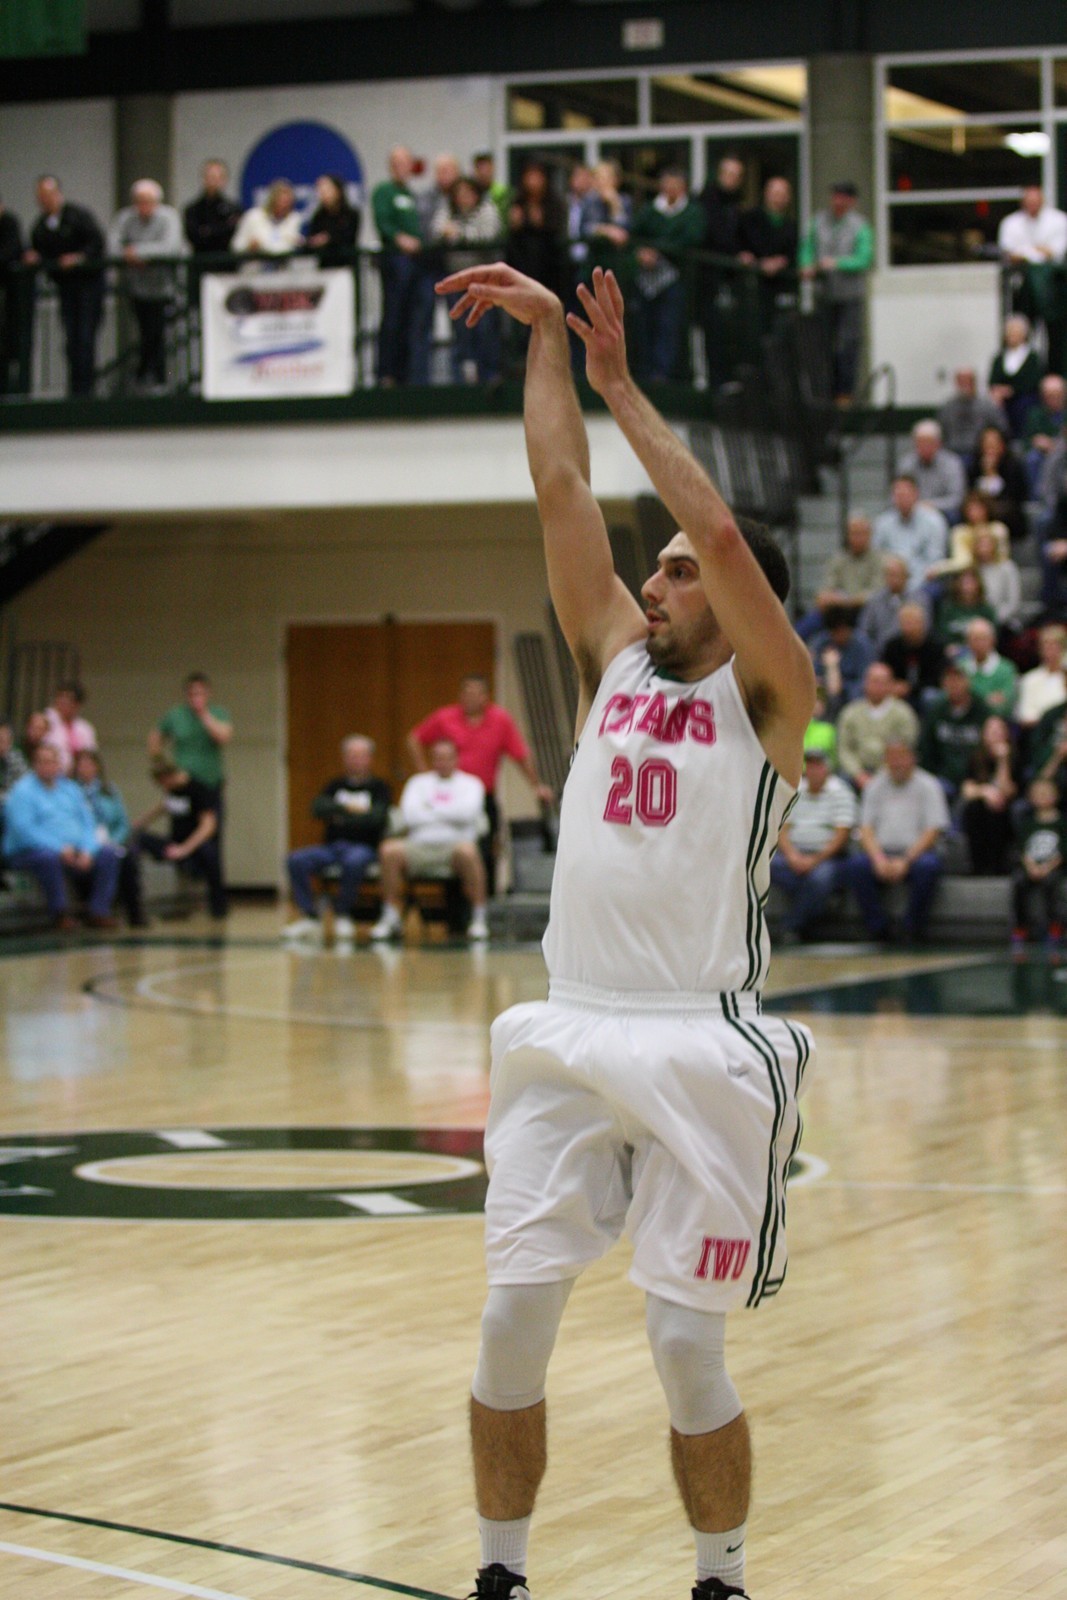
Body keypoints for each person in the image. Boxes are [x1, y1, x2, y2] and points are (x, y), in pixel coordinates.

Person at [434, 256, 816, 1600]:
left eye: (667, 573)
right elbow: (555, 489)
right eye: (643, 570)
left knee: (680, 1348)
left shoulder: (773, 694)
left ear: (733, 599)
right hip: (564, 1023)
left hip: (696, 1042)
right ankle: (499, 1573)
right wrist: (545, 341)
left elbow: (714, 535)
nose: (648, 583)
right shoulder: (612, 654)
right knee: (508, 1321)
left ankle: (718, 1577)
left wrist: (622, 387)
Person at [407, 675, 552, 895]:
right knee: (452, 850)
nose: (471, 698)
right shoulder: (445, 717)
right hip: (449, 793)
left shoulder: (499, 720)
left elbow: (521, 755)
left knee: (485, 851)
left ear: (486, 696)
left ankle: (486, 903)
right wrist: (425, 773)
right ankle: (455, 911)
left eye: (477, 693)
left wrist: (536, 785)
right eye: (467, 693)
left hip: (483, 796)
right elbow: (415, 739)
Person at [371, 737, 489, 942]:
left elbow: (468, 814)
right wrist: (450, 813)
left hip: (454, 848)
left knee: (469, 852)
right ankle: (390, 916)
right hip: (419, 846)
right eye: (437, 758)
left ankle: (478, 918)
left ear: (456, 759)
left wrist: (430, 809)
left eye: (447, 758)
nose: (442, 763)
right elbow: (409, 816)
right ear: (431, 760)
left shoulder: (471, 784)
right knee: (389, 850)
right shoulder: (418, 783)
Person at [283, 735, 391, 943]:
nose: (355, 760)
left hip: (364, 847)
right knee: (296, 859)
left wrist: (340, 815)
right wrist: (354, 811)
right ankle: (309, 915)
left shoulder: (379, 787)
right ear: (344, 759)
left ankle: (343, 913)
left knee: (353, 862)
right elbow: (318, 808)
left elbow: (376, 819)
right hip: (333, 847)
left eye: (360, 756)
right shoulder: (335, 785)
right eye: (351, 756)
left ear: (370, 759)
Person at [3, 742, 120, 930]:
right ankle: (60, 914)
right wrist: (58, 848)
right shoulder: (22, 792)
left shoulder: (71, 789)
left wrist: (87, 850)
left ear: (59, 764)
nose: (47, 766)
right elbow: (24, 830)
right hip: (30, 852)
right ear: (34, 764)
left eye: (51, 761)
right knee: (47, 858)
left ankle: (98, 911)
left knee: (108, 853)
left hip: (74, 850)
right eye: (42, 762)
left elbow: (88, 823)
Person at [845, 738, 949, 943]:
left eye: (902, 758)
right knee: (856, 866)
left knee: (928, 867)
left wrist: (906, 860)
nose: (897, 764)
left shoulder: (929, 785)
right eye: (892, 759)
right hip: (882, 852)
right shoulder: (874, 785)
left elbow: (933, 830)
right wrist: (878, 858)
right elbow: (865, 828)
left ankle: (911, 928)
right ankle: (878, 928)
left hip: (917, 854)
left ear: (913, 759)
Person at [24, 175, 105, 396]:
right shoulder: (41, 226)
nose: (45, 200)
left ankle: (86, 390)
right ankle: (75, 388)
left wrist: (79, 258)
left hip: (89, 286)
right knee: (71, 339)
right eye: (41, 196)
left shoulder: (79, 216)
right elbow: (40, 250)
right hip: (66, 288)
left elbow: (97, 243)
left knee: (85, 336)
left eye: (49, 195)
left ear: (58, 194)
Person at [770, 746, 856, 942]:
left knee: (821, 878)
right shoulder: (794, 789)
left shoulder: (841, 792)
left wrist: (814, 860)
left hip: (828, 857)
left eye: (818, 765)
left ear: (827, 768)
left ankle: (790, 927)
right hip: (795, 855)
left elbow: (842, 834)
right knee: (766, 866)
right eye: (810, 766)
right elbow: (782, 828)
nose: (813, 770)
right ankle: (822, 901)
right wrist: (792, 856)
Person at [798, 180, 873, 405]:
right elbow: (807, 248)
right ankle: (823, 393)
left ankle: (844, 395)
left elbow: (865, 258)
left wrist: (838, 263)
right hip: (824, 295)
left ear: (852, 201)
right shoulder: (818, 221)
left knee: (847, 345)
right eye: (835, 196)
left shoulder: (860, 226)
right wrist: (807, 264)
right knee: (822, 346)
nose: (838, 201)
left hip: (849, 296)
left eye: (843, 197)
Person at [629, 167, 706, 384]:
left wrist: (659, 249)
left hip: (676, 278)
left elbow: (692, 237)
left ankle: (663, 374)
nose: (670, 189)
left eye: (675, 184)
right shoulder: (648, 210)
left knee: (669, 325)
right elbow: (634, 235)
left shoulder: (692, 212)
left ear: (683, 188)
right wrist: (642, 252)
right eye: (667, 184)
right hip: (646, 279)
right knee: (645, 324)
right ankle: (645, 371)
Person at [107, 179, 184, 392]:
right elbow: (113, 247)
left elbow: (171, 247)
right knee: (144, 333)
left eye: (149, 201)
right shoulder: (125, 218)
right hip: (136, 290)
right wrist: (131, 255)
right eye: (140, 201)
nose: (144, 206)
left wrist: (138, 253)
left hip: (163, 289)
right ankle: (143, 378)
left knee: (157, 334)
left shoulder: (169, 217)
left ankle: (159, 379)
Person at [134, 757, 227, 920]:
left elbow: (208, 826)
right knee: (139, 838)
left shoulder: (199, 790)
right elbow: (164, 806)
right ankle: (136, 905)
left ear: (170, 777)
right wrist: (140, 822)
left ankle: (218, 907)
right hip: (175, 844)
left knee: (210, 854)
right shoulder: (173, 791)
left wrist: (185, 849)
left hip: (194, 846)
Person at [431, 175, 503, 384]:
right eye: (459, 194)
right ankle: (460, 379)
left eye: (468, 193)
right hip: (456, 279)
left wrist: (458, 234)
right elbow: (436, 230)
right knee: (460, 329)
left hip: (482, 280)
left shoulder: (487, 210)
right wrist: (448, 233)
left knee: (485, 328)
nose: (463, 198)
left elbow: (487, 235)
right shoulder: (447, 210)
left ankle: (489, 376)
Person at [373, 146, 433, 387]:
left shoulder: (411, 195)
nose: (402, 167)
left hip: (416, 264)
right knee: (393, 316)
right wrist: (401, 239)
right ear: (390, 166)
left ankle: (408, 373)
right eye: (397, 163)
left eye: (406, 162)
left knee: (413, 319)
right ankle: (386, 372)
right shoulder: (384, 192)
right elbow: (383, 222)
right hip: (396, 262)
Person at [74, 748, 147, 927]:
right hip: (85, 843)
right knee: (105, 857)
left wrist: (113, 841)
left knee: (127, 856)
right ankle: (96, 910)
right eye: (81, 765)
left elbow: (123, 822)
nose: (85, 768)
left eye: (89, 764)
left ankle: (134, 913)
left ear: (97, 767)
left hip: (111, 840)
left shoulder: (109, 790)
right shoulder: (72, 792)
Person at [697, 154, 746, 390]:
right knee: (712, 330)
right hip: (709, 276)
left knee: (733, 331)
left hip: (732, 278)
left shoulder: (738, 203)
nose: (732, 179)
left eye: (737, 176)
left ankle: (731, 378)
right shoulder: (707, 200)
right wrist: (735, 254)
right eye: (729, 174)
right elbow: (713, 234)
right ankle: (714, 380)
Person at [837, 660, 920, 792]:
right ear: (865, 683)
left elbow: (906, 749)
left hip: (891, 772)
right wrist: (858, 774)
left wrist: (883, 775)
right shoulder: (850, 712)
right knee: (840, 782)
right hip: (857, 773)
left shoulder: (903, 714)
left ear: (891, 685)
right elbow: (844, 749)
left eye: (883, 682)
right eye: (874, 681)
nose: (878, 686)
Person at [798, 513, 882, 639]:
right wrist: (824, 596)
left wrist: (847, 600)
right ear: (847, 535)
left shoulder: (879, 560)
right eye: (853, 533)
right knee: (805, 626)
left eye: (861, 533)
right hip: (837, 610)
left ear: (870, 535)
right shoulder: (838, 559)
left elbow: (876, 593)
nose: (857, 538)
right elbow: (827, 586)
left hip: (863, 611)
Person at [918, 660, 987, 802]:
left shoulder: (981, 710)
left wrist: (976, 780)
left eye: (958, 679)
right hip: (942, 777)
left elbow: (988, 746)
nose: (954, 684)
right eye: (949, 680)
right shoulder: (936, 710)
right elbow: (926, 748)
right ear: (943, 684)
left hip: (975, 779)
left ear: (968, 682)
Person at [1010, 777, 1066, 954]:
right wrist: (1031, 867)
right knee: (1019, 882)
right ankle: (1020, 927)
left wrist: (1047, 867)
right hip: (1031, 867)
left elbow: (1063, 852)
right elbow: (1022, 849)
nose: (1042, 798)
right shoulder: (1028, 823)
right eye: (1038, 794)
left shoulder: (1062, 823)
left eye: (1046, 794)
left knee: (1051, 883)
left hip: (1053, 867)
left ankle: (1055, 927)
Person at [959, 715, 1018, 875]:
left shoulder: (1015, 756)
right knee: (974, 808)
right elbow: (967, 789)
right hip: (981, 804)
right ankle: (977, 865)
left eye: (999, 731)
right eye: (991, 731)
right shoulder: (975, 756)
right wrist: (985, 791)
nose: (995, 735)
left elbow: (1007, 791)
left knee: (999, 810)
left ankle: (998, 864)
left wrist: (1002, 761)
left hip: (1008, 805)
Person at [872, 476, 948, 591]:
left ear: (916, 494)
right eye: (898, 495)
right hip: (890, 581)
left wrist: (912, 584)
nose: (902, 499)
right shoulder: (882, 523)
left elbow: (935, 559)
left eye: (906, 494)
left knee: (935, 587)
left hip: (923, 580)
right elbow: (877, 556)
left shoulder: (934, 521)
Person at [966, 424, 1028, 545]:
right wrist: (986, 474)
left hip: (1008, 518)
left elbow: (1014, 497)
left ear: (1002, 445)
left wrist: (992, 474)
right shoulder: (974, 467)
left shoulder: (1013, 467)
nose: (990, 448)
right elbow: (971, 495)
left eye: (994, 443)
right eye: (986, 444)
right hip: (977, 516)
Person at [897, 419, 966, 523]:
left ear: (938, 443)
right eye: (920, 443)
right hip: (912, 510)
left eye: (928, 443)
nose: (924, 447)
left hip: (942, 511)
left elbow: (956, 499)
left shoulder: (952, 463)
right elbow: (898, 492)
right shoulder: (906, 464)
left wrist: (931, 505)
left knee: (953, 515)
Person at [881, 601, 945, 712]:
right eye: (905, 623)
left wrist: (910, 688)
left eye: (912, 623)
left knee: (930, 696)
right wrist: (892, 686)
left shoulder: (935, 646)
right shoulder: (892, 646)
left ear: (922, 624)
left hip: (924, 690)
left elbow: (938, 678)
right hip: (897, 691)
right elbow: (884, 669)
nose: (909, 628)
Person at [987, 315, 1044, 440]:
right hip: (1002, 400)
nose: (1011, 336)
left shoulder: (1032, 357)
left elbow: (1032, 381)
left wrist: (1012, 390)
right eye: (1009, 333)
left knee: (1023, 406)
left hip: (1024, 399)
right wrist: (998, 391)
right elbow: (992, 380)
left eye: (1015, 333)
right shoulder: (1000, 357)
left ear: (1024, 335)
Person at [937, 367, 1008, 460]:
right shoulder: (947, 407)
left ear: (975, 382)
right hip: (951, 453)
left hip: (978, 454)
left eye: (968, 380)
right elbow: (939, 431)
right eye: (961, 381)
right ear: (956, 383)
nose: (965, 384)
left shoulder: (987, 406)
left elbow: (1002, 429)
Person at [856, 554, 915, 657]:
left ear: (906, 576)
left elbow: (924, 631)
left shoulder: (919, 599)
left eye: (898, 575)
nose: (894, 579)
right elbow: (864, 632)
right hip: (880, 655)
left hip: (911, 654)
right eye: (890, 575)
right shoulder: (874, 601)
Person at [959, 617, 1018, 718]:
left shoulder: (1006, 669)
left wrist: (970, 700)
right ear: (967, 642)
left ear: (993, 640)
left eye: (983, 639)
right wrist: (987, 699)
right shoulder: (960, 666)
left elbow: (1003, 707)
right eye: (974, 639)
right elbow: (955, 702)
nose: (979, 644)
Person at [183, 158, 241, 258]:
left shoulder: (234, 209)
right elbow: (193, 236)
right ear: (203, 178)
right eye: (210, 177)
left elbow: (230, 236)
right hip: (199, 262)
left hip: (225, 264)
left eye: (217, 177)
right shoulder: (192, 209)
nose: (213, 181)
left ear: (224, 180)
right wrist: (217, 230)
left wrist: (208, 231)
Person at [231, 179, 303, 258]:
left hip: (283, 267)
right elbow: (236, 246)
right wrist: (249, 246)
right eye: (281, 201)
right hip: (255, 265)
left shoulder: (294, 219)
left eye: (288, 203)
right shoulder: (253, 216)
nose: (284, 206)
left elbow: (291, 243)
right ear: (272, 200)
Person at [1021, 374, 1067, 497]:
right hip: (1042, 453)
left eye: (1057, 395)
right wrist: (1036, 441)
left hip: (1063, 452)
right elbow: (1026, 440)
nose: (1054, 400)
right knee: (1032, 458)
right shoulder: (1035, 414)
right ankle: (1037, 498)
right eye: (1050, 396)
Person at [1016, 624, 1067, 729]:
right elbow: (1026, 715)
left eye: (1055, 645)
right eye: (1046, 646)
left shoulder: (1065, 677)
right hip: (1039, 732)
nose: (1050, 650)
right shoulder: (1029, 679)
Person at [303, 173, 361, 265]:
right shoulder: (318, 216)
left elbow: (348, 237)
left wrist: (328, 239)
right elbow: (311, 241)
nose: (323, 194)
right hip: (326, 267)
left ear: (338, 191)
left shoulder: (351, 214)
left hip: (346, 265)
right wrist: (310, 242)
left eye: (327, 190)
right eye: (320, 191)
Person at [42, 680, 97, 774]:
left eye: (68, 700)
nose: (63, 702)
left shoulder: (85, 728)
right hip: (52, 774)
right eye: (60, 698)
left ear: (77, 705)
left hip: (78, 777)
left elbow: (90, 754)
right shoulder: (46, 721)